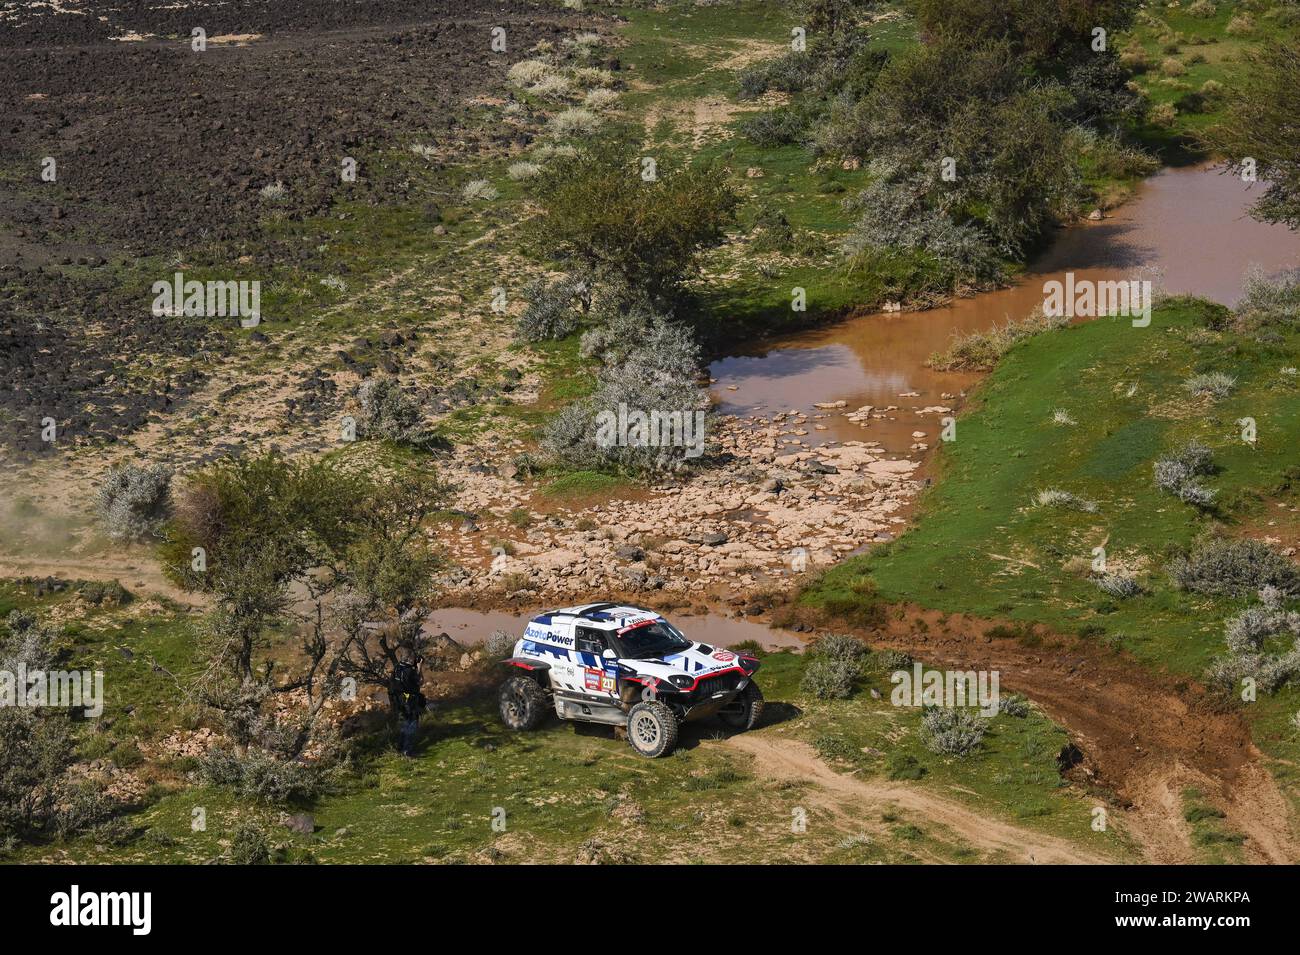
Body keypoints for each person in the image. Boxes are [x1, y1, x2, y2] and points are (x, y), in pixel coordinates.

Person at [389, 652, 426, 757]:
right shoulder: (410, 671)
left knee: (406, 722)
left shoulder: (397, 668)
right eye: (413, 658)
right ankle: (407, 750)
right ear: (409, 659)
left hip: (400, 700)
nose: (414, 660)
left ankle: (400, 746)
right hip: (410, 701)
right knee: (413, 724)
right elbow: (420, 681)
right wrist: (419, 667)